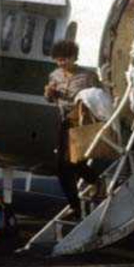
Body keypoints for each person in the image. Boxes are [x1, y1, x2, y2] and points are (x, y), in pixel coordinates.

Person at [44, 39, 98, 218]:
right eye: (58, 60)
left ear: (74, 57)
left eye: (65, 59)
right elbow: (50, 100)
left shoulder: (88, 76)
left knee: (74, 162)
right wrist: (49, 94)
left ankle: (94, 182)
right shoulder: (55, 76)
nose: (61, 64)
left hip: (81, 122)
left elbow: (98, 97)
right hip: (64, 122)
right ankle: (76, 205)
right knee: (61, 166)